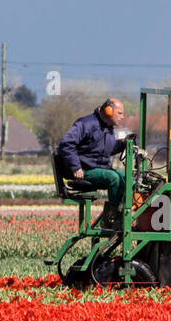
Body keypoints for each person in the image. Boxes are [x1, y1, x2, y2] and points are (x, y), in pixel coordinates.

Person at [58, 97, 135, 229]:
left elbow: (105, 150)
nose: (122, 117)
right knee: (114, 178)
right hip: (85, 170)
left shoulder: (108, 128)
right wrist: (76, 167)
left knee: (129, 180)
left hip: (99, 169)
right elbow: (66, 144)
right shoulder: (86, 124)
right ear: (108, 111)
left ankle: (121, 216)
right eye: (120, 113)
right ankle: (111, 219)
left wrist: (122, 144)